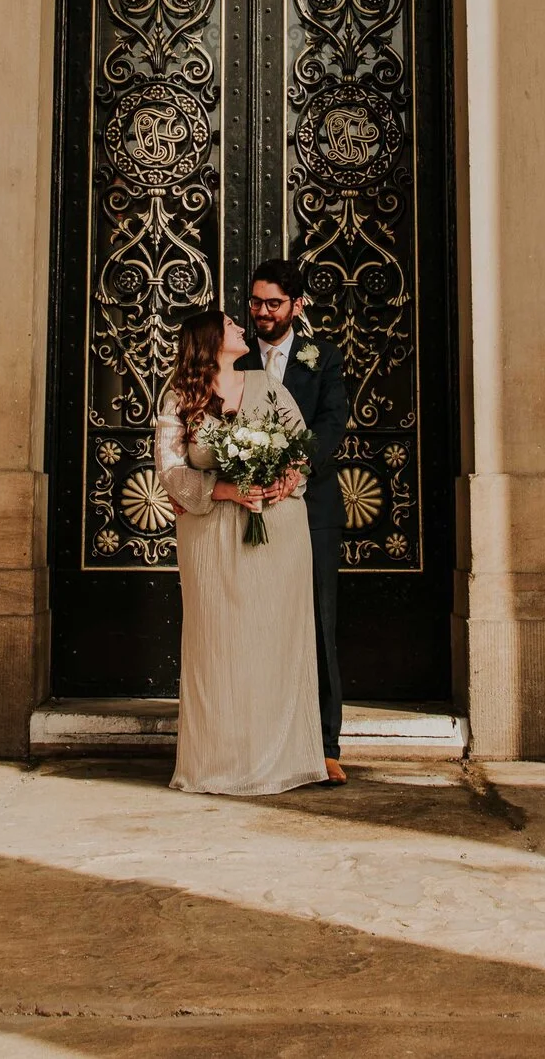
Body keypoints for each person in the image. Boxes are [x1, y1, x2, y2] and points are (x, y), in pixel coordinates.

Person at [154, 308, 328, 796]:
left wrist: (284, 478)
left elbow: (299, 445)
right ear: (210, 342)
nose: (241, 329)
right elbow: (170, 469)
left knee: (273, 638)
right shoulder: (179, 397)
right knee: (219, 644)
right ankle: (219, 763)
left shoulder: (266, 385)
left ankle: (279, 759)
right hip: (210, 537)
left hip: (277, 529)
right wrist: (226, 489)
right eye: (231, 326)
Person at [245, 259, 352, 785]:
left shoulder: (322, 357)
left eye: (274, 304)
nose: (262, 313)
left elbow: (333, 421)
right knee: (256, 624)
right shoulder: (236, 356)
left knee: (317, 623)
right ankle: (261, 740)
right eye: (256, 302)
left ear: (297, 305)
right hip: (248, 508)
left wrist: (298, 466)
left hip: (313, 510)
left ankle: (326, 746)